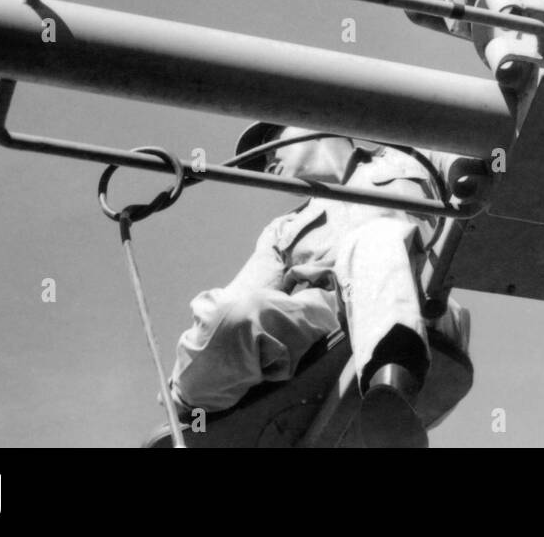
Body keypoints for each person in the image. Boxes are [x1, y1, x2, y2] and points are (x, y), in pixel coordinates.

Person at [167, 124, 469, 448]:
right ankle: (193, 404)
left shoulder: (410, 158)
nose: (268, 163)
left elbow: (469, 168)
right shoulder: (284, 229)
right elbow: (239, 302)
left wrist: (468, 172)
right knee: (229, 313)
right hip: (324, 321)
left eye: (271, 146)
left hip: (415, 299)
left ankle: (390, 393)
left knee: (373, 239)